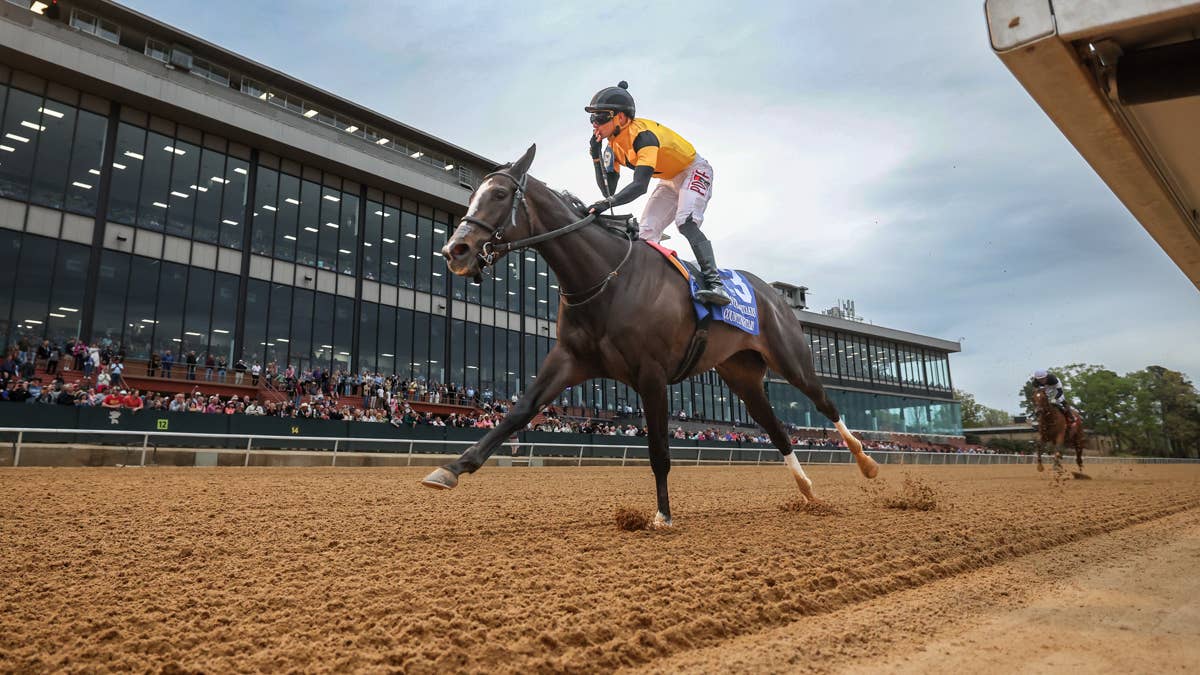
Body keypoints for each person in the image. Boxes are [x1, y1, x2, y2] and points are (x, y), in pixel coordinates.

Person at [584, 81, 732, 306]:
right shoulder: (611, 146)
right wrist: (595, 157)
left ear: (621, 118)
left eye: (601, 117)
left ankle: (716, 285)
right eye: (592, 118)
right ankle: (647, 285)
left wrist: (607, 203)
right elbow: (608, 190)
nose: (595, 124)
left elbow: (639, 186)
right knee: (646, 233)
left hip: (693, 170)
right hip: (670, 179)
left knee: (685, 221)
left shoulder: (643, 137)